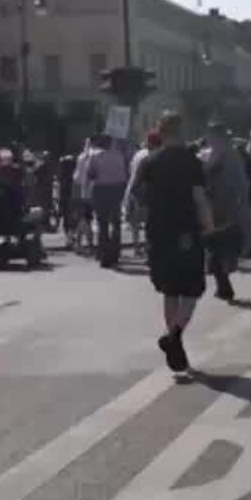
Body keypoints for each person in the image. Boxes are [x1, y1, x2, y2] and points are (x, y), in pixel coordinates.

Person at [128, 113, 214, 373]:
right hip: (186, 232)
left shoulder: (149, 161)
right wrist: (210, 230)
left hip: (158, 233)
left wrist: (141, 230)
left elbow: (136, 199)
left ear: (160, 131)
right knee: (191, 289)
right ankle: (174, 334)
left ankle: (174, 341)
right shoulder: (191, 161)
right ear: (181, 131)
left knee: (170, 290)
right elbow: (199, 199)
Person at [202, 125, 251, 303]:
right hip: (212, 207)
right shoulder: (209, 154)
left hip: (225, 208)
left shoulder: (231, 156)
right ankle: (223, 284)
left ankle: (224, 286)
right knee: (215, 248)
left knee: (217, 247)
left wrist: (241, 204)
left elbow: (242, 183)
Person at [81, 134, 128, 267]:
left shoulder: (95, 156)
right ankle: (115, 252)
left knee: (103, 223)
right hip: (117, 189)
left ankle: (103, 254)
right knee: (116, 222)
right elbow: (124, 174)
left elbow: (90, 174)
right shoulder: (119, 155)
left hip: (101, 189)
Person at [124, 130, 161, 260]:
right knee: (149, 224)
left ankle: (136, 247)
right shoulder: (154, 156)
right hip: (147, 194)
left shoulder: (138, 154)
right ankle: (149, 248)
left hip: (135, 192)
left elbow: (131, 172)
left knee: (135, 224)